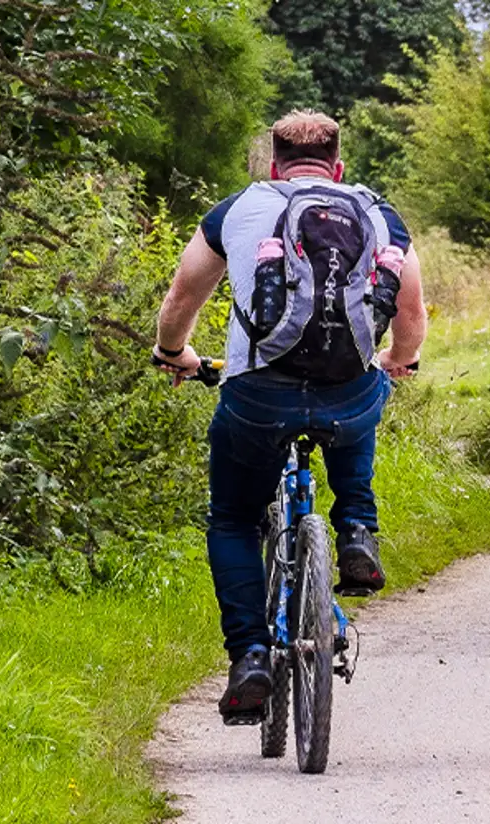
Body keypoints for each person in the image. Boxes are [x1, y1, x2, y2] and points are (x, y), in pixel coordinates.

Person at [151, 110, 427, 721]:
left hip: (257, 396)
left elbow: (182, 297)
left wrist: (174, 352)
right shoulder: (378, 213)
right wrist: (397, 361)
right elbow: (410, 316)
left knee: (232, 519)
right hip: (347, 396)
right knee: (365, 394)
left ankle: (250, 656)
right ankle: (356, 531)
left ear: (273, 167)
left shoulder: (239, 209)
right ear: (338, 167)